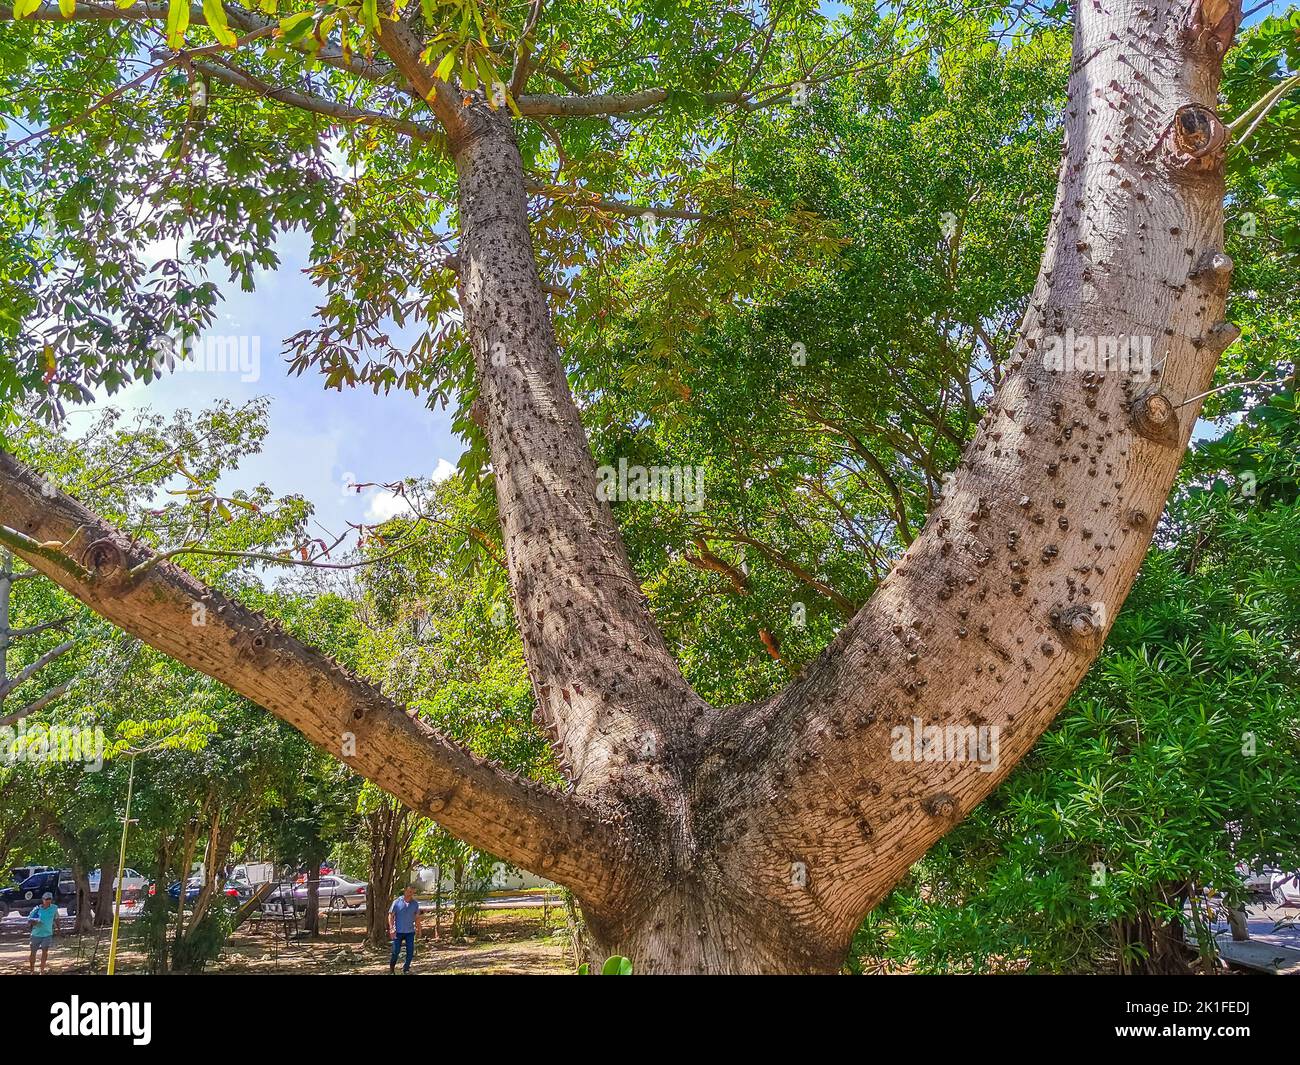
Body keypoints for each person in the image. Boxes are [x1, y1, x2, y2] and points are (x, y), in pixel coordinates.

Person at [388, 884, 423, 974]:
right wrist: (391, 928)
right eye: (409, 891)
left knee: (410, 951)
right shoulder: (397, 902)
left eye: (412, 892)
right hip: (398, 931)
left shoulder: (415, 904)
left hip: (410, 932)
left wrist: (419, 929)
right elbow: (390, 916)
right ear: (405, 891)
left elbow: (417, 917)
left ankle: (406, 968)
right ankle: (392, 968)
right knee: (396, 951)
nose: (410, 894)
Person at [28, 892, 57, 974]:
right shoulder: (37, 909)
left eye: (50, 899)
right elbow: (29, 920)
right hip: (36, 934)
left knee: (45, 951)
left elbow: (56, 918)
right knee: (33, 952)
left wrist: (59, 929)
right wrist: (35, 921)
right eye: (46, 899)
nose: (48, 901)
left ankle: (42, 970)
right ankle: (32, 970)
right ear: (43, 899)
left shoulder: (54, 908)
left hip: (47, 934)